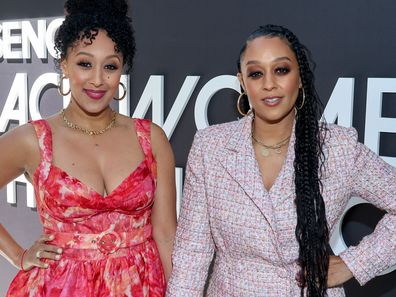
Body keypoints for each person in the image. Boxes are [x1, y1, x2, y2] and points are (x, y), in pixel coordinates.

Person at [166, 24, 396, 296]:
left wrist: (353, 264)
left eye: (281, 70)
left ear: (299, 78)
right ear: (242, 82)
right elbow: (192, 254)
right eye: (256, 73)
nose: (269, 84)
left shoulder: (337, 147)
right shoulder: (211, 147)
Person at [0, 0, 176, 296]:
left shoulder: (151, 138)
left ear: (122, 71)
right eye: (85, 63)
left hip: (143, 287)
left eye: (110, 66)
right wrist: (18, 255)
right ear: (64, 64)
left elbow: (167, 234)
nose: (97, 79)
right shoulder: (33, 140)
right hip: (61, 287)